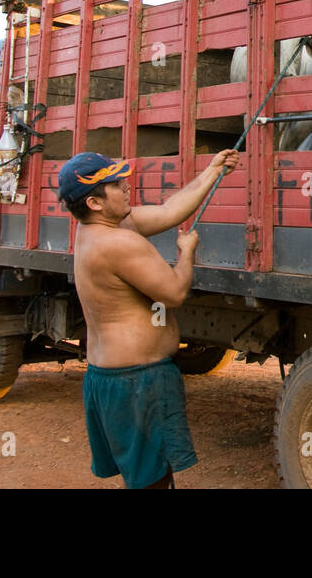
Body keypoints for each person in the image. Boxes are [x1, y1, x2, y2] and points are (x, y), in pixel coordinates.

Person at [59, 148, 239, 489]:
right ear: (95, 202)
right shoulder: (118, 242)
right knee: (151, 481)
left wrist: (213, 171)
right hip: (136, 382)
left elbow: (170, 211)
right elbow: (173, 293)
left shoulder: (93, 231)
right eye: (116, 183)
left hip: (112, 378)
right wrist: (186, 254)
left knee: (146, 476)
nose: (127, 185)